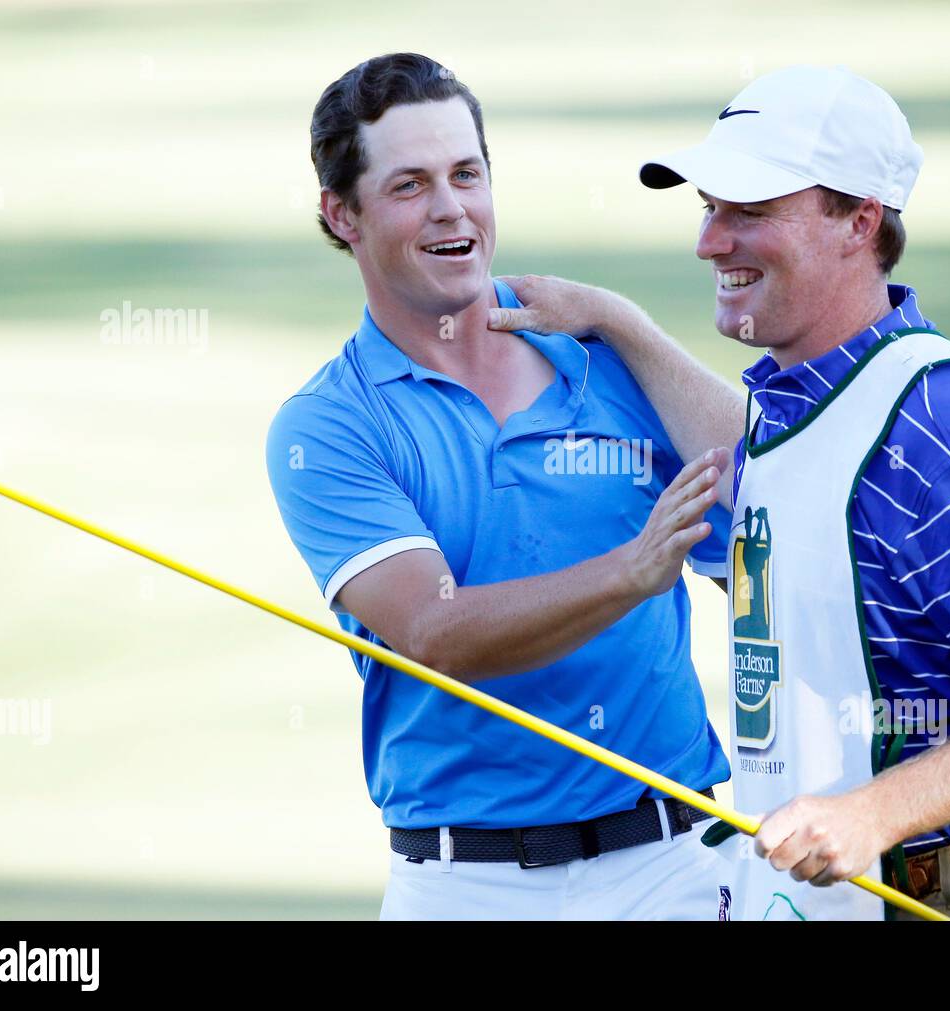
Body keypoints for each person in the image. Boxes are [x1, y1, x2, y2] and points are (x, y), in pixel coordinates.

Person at [488, 64, 950, 920]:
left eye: (750, 210)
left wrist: (871, 815)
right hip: (864, 888)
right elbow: (772, 481)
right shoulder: (800, 408)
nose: (710, 241)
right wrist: (617, 320)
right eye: (709, 208)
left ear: (861, 220)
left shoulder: (944, 419)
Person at [264, 52, 740, 920]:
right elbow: (434, 633)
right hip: (466, 885)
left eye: (467, 174)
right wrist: (629, 572)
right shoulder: (329, 427)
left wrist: (622, 320)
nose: (452, 208)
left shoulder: (597, 348)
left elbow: (766, 490)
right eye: (409, 185)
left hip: (676, 863)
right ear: (343, 215)